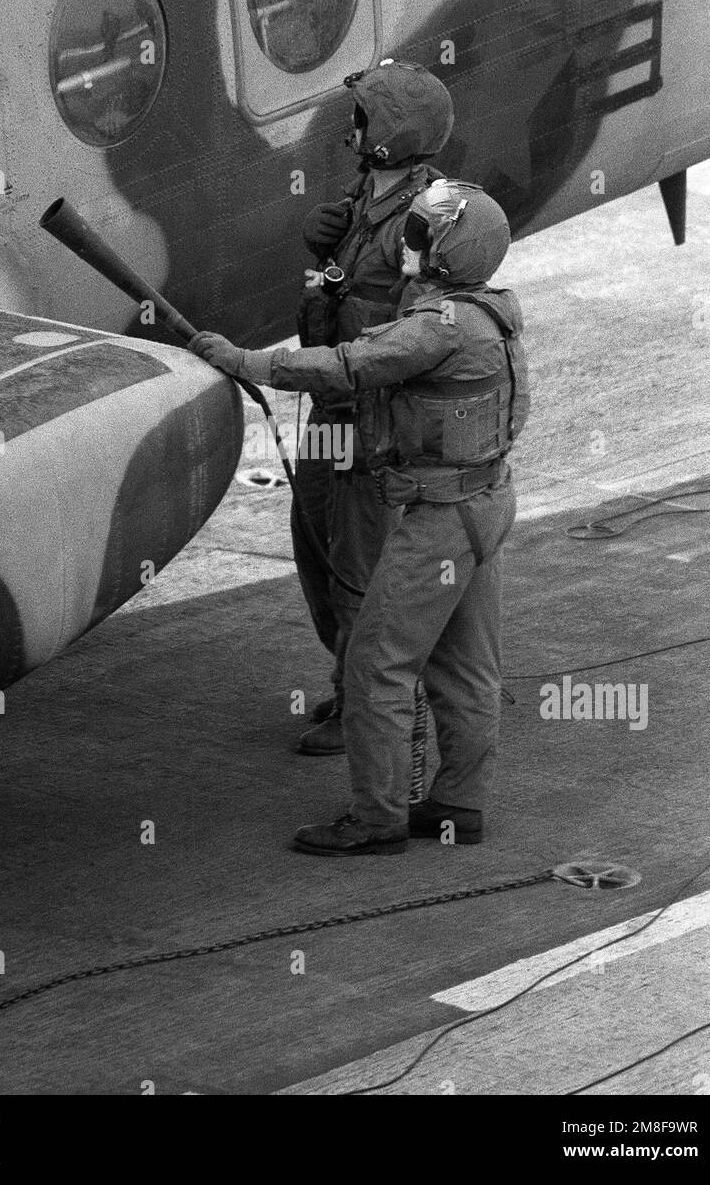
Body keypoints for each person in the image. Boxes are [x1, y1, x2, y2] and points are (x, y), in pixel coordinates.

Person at [190, 180, 529, 856]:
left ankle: (377, 820)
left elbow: (349, 366)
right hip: (482, 503)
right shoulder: (484, 312)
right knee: (463, 665)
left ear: (447, 251)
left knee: (376, 666)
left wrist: (241, 360)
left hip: (439, 513)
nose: (405, 243)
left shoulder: (437, 330)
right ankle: (457, 804)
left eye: (418, 236)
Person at [291, 59, 454, 756]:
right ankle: (349, 678)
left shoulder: (431, 215)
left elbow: (424, 325)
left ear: (388, 131)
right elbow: (341, 289)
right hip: (333, 400)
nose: (348, 127)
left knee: (359, 566)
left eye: (360, 116)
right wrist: (327, 263)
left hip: (371, 413)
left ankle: (373, 702)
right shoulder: (366, 193)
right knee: (314, 544)